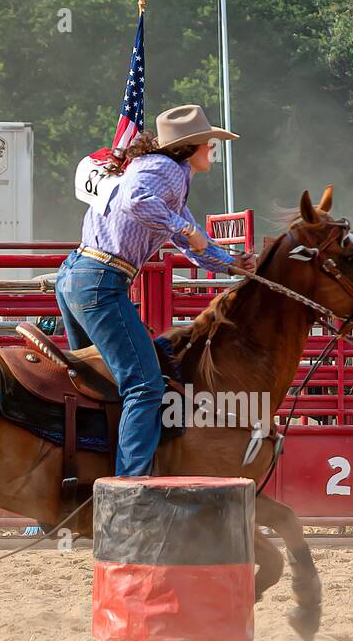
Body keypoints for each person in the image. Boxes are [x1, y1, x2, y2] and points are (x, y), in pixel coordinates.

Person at [56, 103, 255, 476]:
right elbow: (139, 206)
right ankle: (131, 490)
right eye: (209, 143)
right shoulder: (167, 171)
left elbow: (191, 242)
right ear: (192, 146)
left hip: (78, 276)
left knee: (93, 385)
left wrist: (230, 264)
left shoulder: (155, 172)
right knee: (145, 387)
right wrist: (184, 229)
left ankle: (72, 482)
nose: (212, 149)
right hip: (102, 281)